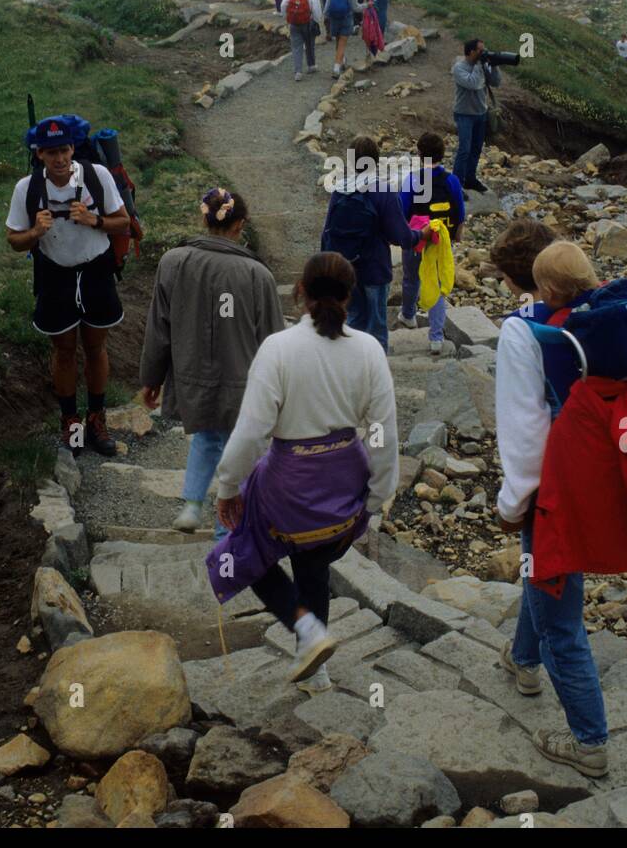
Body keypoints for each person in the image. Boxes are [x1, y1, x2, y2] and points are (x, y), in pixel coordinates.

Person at [212, 251, 399, 690]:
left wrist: (227, 486)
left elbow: (252, 432)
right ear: (350, 296)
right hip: (343, 487)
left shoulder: (279, 350)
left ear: (301, 291)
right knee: (313, 564)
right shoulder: (369, 350)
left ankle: (306, 630)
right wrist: (376, 496)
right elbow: (381, 432)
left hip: (288, 488)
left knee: (240, 554)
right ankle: (316, 665)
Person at [492, 235, 609, 778]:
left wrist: (513, 499)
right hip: (601, 480)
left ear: (533, 285)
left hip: (552, 491)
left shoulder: (525, 331)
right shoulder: (609, 314)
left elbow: (525, 427)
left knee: (560, 613)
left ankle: (590, 742)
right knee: (543, 575)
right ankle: (522, 661)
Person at [139, 188, 285, 534]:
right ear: (241, 225)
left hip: (193, 375)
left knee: (206, 437)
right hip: (244, 381)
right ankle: (227, 529)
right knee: (241, 448)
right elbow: (273, 340)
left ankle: (192, 503)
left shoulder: (173, 262)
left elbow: (159, 326)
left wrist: (151, 377)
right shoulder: (256, 275)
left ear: (203, 218)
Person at [5, 116, 129, 454]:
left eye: (64, 150)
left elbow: (123, 223)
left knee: (94, 346)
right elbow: (14, 240)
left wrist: (95, 220)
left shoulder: (95, 175)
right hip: (55, 274)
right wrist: (34, 233)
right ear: (39, 155)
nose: (59, 159)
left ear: (73, 148)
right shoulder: (26, 189)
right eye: (50, 152)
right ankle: (71, 422)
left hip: (95, 270)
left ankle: (97, 419)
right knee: (62, 349)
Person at [321, 135, 431, 352]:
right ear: (376, 161)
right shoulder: (384, 191)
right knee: (377, 326)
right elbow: (402, 238)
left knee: (354, 319)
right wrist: (422, 235)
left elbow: (327, 232)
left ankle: (349, 363)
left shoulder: (340, 189)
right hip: (374, 269)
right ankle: (376, 368)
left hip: (345, 269)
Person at [397, 132, 465, 354]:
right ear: (442, 155)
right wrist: (457, 235)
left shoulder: (412, 179)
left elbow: (402, 211)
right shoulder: (452, 180)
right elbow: (460, 212)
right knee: (436, 285)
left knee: (411, 278)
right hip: (440, 241)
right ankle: (436, 337)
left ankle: (408, 315)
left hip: (416, 239)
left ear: (419, 155)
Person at [451, 39, 502, 194]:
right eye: (480, 50)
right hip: (464, 114)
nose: (483, 52)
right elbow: (473, 84)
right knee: (464, 149)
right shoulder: (459, 68)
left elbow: (496, 82)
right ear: (471, 51)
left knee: (476, 149)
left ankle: (470, 179)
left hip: (481, 114)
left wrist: (494, 65)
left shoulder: (483, 65)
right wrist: (481, 66)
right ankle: (457, 185)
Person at [281, 0, 322, 80]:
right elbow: (316, 9)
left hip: (294, 23)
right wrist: (316, 20)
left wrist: (287, 18)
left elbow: (283, 5)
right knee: (310, 45)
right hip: (308, 23)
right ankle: (311, 66)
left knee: (296, 47)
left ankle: (298, 72)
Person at [323, 0, 358, 77]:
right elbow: (355, 7)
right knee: (342, 43)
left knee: (338, 42)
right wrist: (367, 5)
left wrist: (325, 17)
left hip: (334, 19)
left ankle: (342, 61)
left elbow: (327, 4)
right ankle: (336, 68)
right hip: (346, 19)